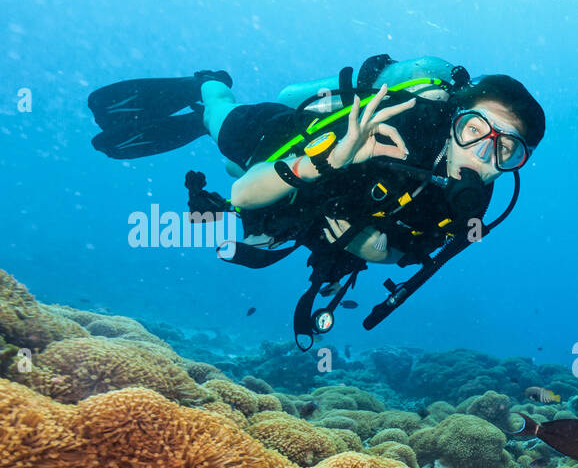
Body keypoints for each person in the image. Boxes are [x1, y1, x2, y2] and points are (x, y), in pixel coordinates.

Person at [87, 55, 545, 345]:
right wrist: (333, 159)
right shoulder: (390, 122)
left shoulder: (476, 201)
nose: (483, 154)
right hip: (291, 143)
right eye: (474, 131)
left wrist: (371, 247)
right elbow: (243, 196)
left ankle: (204, 120)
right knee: (226, 137)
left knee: (245, 183)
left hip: (310, 211)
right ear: (452, 121)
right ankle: (207, 86)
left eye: (505, 150)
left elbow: (417, 254)